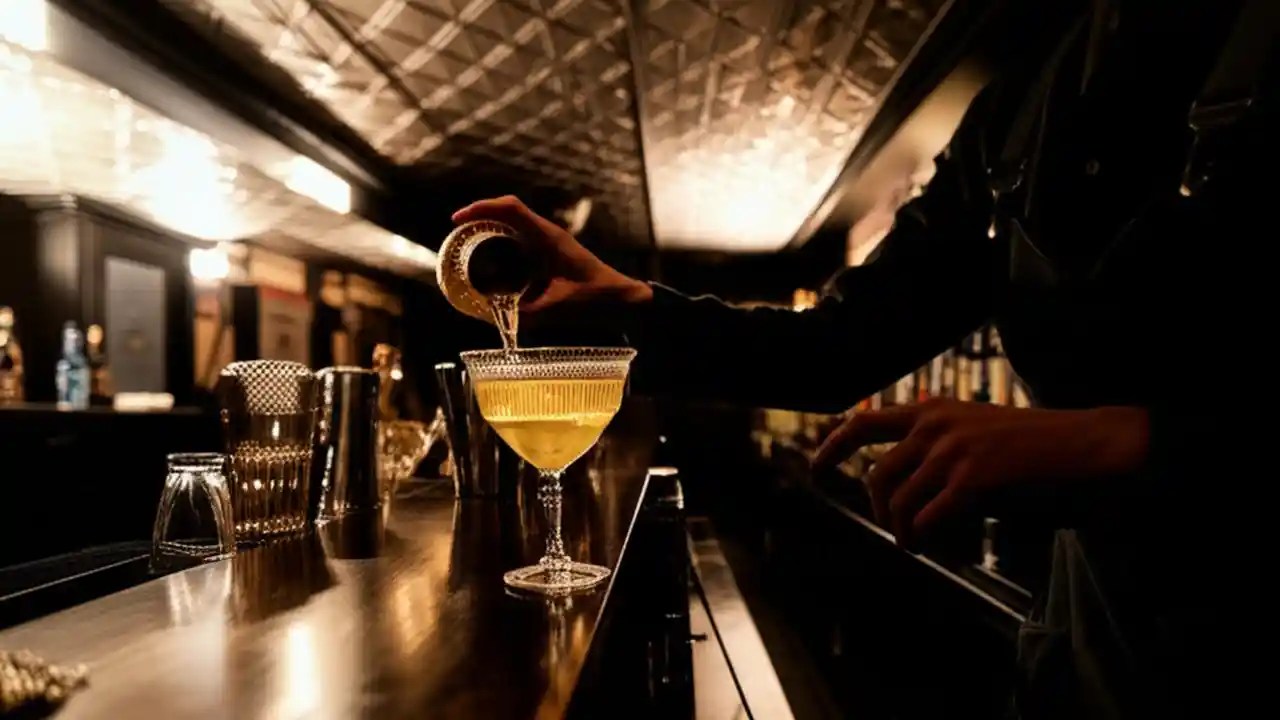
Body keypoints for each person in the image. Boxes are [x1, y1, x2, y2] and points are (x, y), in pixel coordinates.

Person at [452, 0, 1273, 716]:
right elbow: (837, 347)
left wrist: (1120, 443)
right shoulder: (1022, 104)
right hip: (1089, 647)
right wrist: (634, 302)